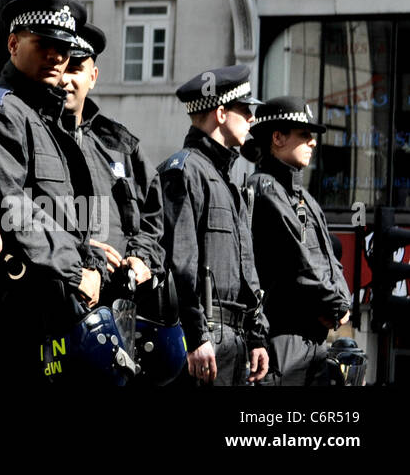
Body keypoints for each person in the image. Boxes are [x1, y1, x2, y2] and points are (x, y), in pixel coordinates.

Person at [0, 0, 106, 382]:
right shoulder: (1, 110)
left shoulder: (48, 119)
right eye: (44, 44)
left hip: (59, 308)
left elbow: (75, 212)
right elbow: (12, 208)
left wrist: (91, 267)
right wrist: (75, 271)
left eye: (63, 49)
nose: (56, 57)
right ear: (14, 44)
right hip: (17, 309)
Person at [159, 64, 270, 386]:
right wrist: (195, 337)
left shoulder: (227, 181)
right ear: (221, 113)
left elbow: (245, 269)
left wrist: (256, 335)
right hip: (205, 337)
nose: (252, 118)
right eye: (245, 109)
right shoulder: (184, 171)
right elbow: (180, 265)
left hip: (232, 339)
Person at [245, 96, 351, 385]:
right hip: (283, 338)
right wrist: (335, 307)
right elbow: (297, 262)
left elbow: (331, 259)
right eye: (304, 134)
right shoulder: (264, 189)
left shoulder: (305, 198)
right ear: (277, 137)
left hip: (311, 341)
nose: (313, 142)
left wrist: (343, 303)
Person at [59, 24, 163, 298]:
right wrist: (81, 247)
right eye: (61, 68)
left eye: (75, 70)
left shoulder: (120, 144)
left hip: (116, 303)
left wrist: (140, 257)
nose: (65, 80)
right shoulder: (32, 132)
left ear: (92, 77)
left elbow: (153, 218)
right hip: (59, 293)